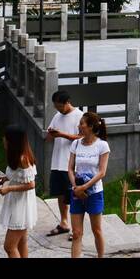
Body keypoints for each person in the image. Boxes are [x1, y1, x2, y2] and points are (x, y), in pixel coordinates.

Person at [67, 110, 110, 259]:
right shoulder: (76, 143)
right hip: (76, 192)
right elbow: (70, 168)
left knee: (96, 230)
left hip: (95, 193)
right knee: (77, 233)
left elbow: (102, 172)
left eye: (81, 124)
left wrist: (84, 187)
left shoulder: (102, 145)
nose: (79, 126)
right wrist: (75, 187)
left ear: (90, 126)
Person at [43, 90, 82, 240]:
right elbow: (48, 138)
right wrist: (51, 134)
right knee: (60, 194)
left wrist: (62, 135)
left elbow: (82, 138)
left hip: (71, 164)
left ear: (67, 102)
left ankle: (76, 228)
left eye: (60, 106)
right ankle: (64, 222)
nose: (58, 109)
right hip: (57, 162)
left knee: (73, 196)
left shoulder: (79, 116)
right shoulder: (57, 116)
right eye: (56, 106)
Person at [0, 124, 38, 258]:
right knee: (21, 242)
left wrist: (9, 188)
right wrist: (5, 178)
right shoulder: (17, 156)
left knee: (9, 246)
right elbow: (19, 176)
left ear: (12, 141)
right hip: (17, 201)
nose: (3, 139)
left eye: (5, 137)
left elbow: (31, 184)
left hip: (21, 204)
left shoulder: (23, 159)